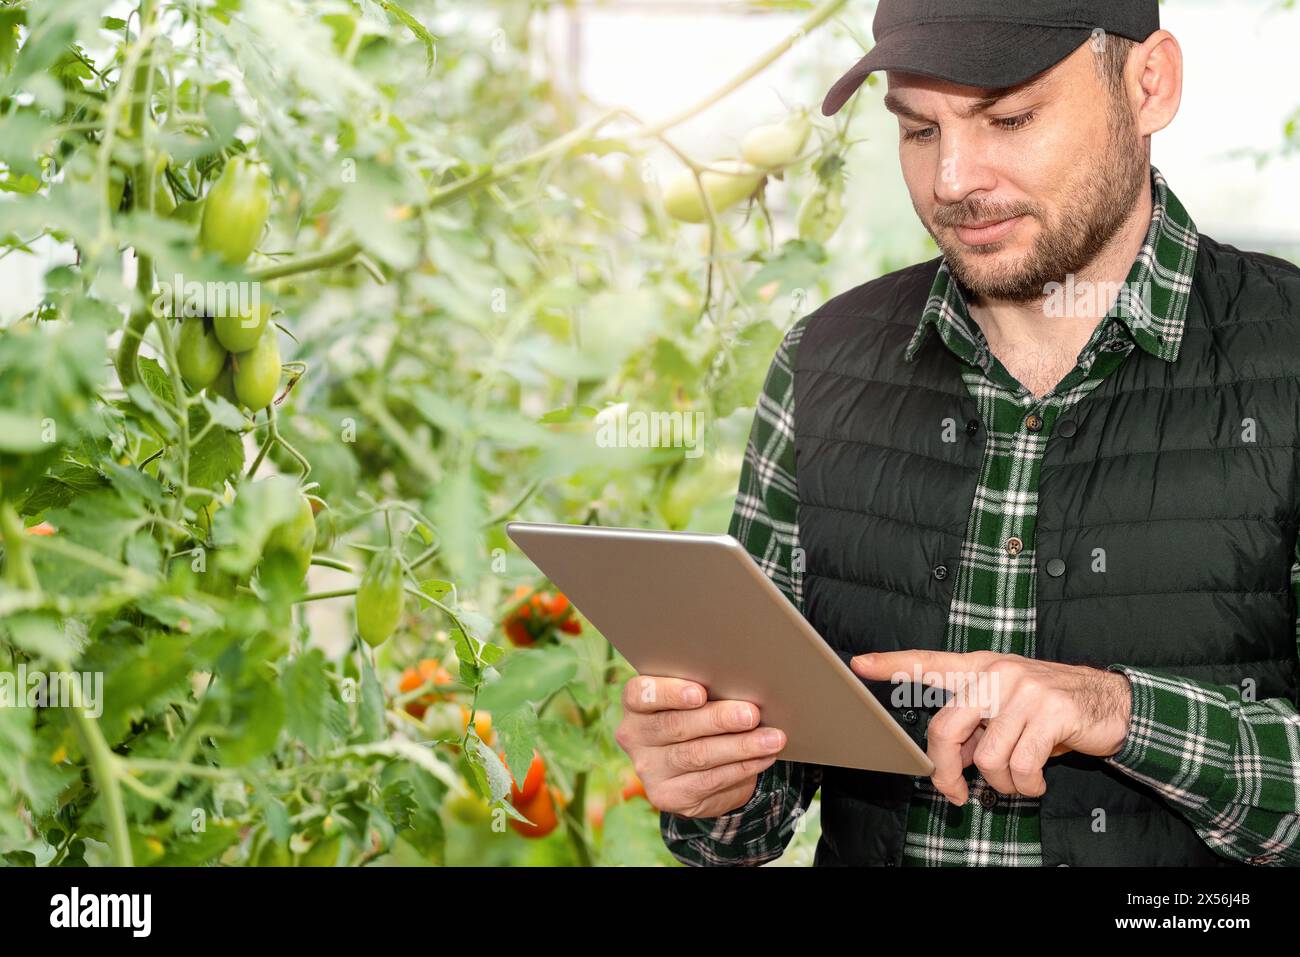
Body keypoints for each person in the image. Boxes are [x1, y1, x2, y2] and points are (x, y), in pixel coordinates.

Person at [614, 0, 1300, 866]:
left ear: (1149, 86)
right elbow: (749, 817)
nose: (952, 179)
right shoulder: (823, 362)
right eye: (917, 130)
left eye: (1008, 118)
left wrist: (1116, 713)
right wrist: (713, 776)